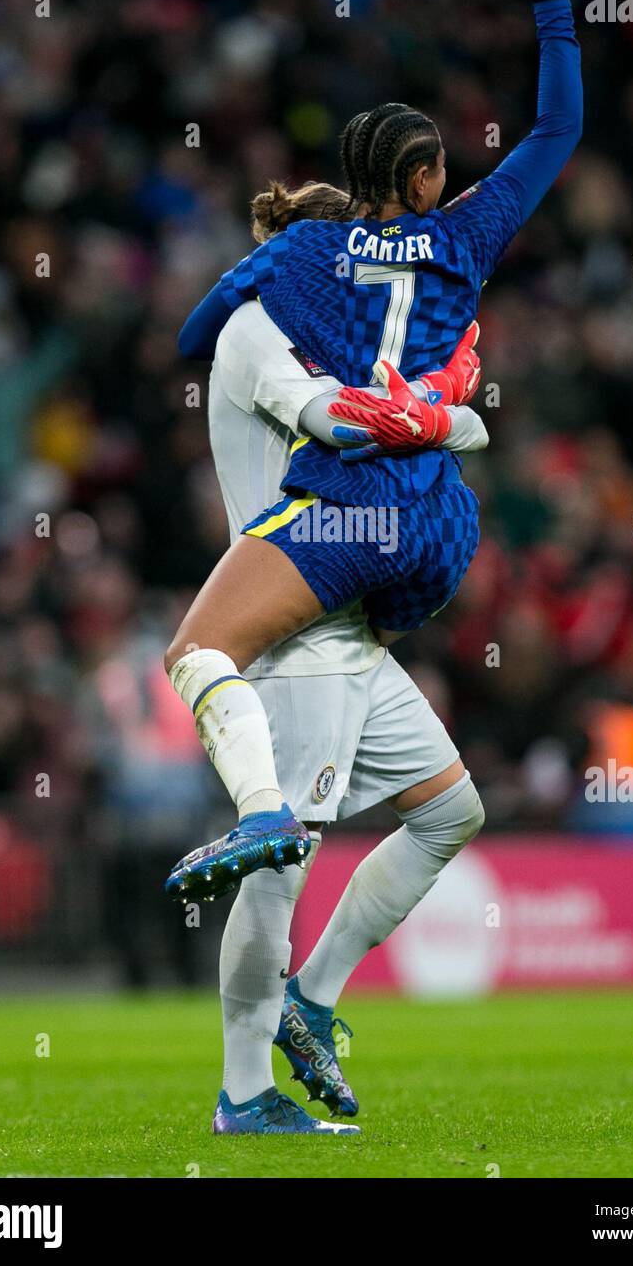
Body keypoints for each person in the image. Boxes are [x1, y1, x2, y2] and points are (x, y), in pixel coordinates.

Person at [164, 0, 582, 917]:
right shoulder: (464, 237)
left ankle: (270, 811)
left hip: (342, 513)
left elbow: (194, 331)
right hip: (434, 533)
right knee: (417, 764)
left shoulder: (307, 250)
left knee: (211, 652)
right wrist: (550, 6)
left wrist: (271, 298)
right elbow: (557, 127)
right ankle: (316, 994)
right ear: (431, 176)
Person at [184, 180, 490, 1134]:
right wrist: (443, 410)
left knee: (450, 812)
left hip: (348, 626)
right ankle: (244, 1094)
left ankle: (311, 999)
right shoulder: (250, 332)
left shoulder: (331, 333)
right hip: (294, 635)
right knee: (281, 867)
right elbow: (334, 422)